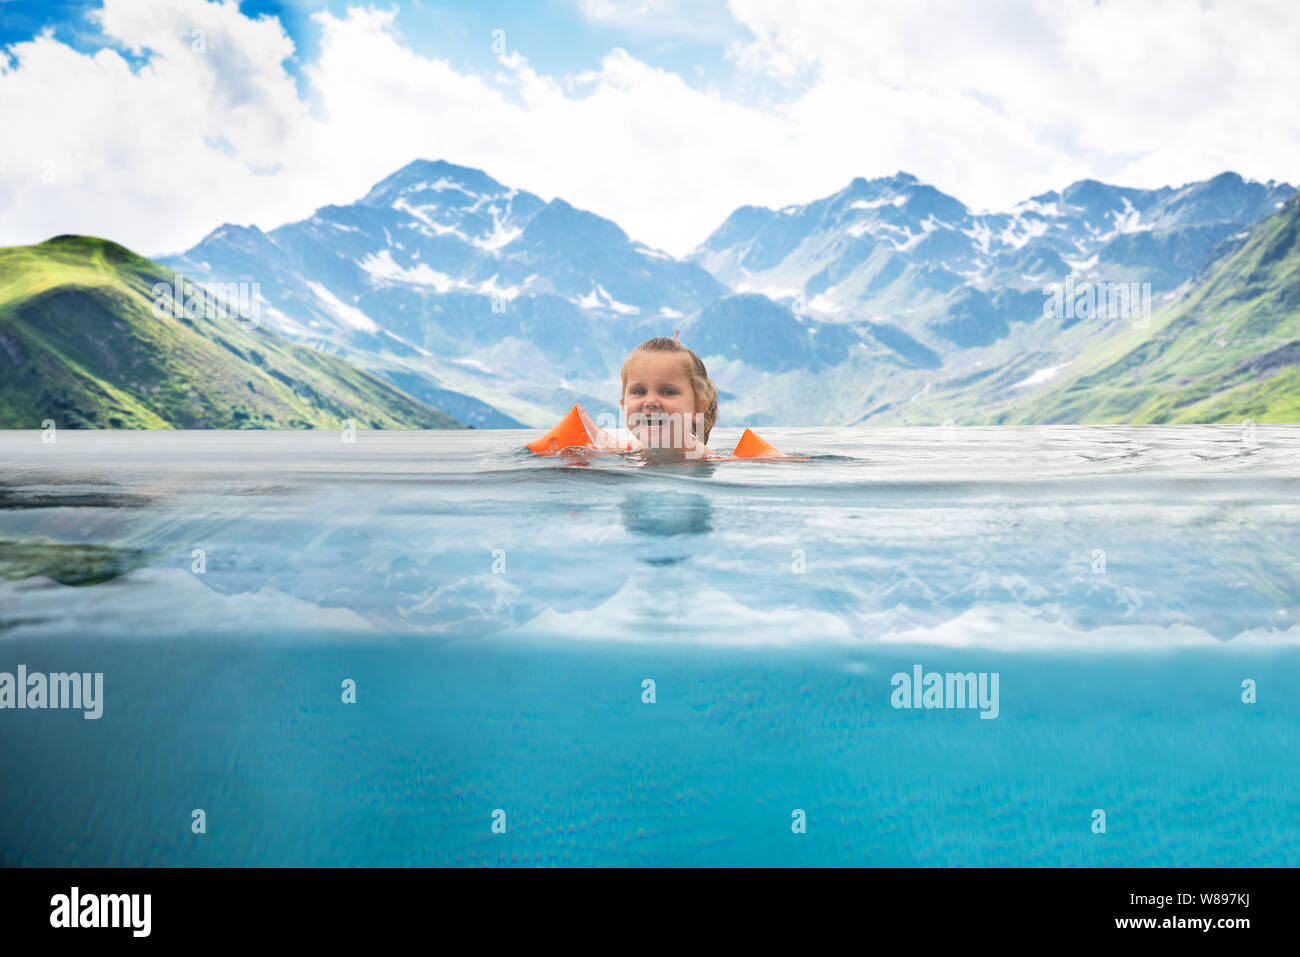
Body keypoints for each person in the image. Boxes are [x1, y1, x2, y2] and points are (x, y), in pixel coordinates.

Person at [619, 334, 719, 460]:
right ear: (623, 405)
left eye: (668, 392)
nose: (650, 402)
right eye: (639, 391)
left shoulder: (706, 461)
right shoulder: (632, 449)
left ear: (697, 408)